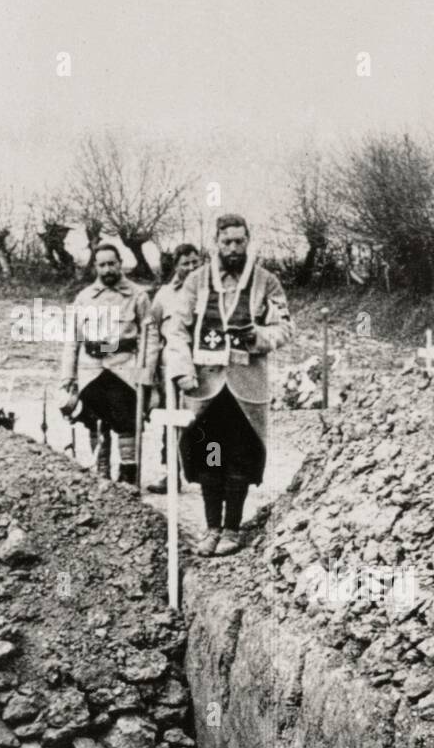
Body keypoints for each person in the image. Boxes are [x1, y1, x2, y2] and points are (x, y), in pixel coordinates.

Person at [164, 214, 294, 556]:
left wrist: (257, 336)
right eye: (227, 242)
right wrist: (181, 369)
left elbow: (285, 328)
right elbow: (175, 329)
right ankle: (212, 527)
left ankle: (233, 529)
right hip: (205, 386)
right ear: (216, 244)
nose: (233, 248)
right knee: (211, 455)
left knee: (240, 456)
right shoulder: (196, 281)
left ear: (248, 241)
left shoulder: (267, 281)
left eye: (239, 241)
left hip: (246, 384)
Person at [60, 243, 151, 485]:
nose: (108, 269)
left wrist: (146, 372)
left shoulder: (138, 296)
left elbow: (149, 337)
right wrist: (67, 375)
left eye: (112, 263)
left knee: (126, 421)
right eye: (102, 264)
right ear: (95, 267)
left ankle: (128, 472)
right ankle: (101, 470)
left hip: (124, 368)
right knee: (94, 420)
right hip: (92, 369)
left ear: (121, 263)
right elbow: (73, 338)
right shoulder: (84, 298)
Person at [142, 243, 200, 494]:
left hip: (203, 365)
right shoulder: (165, 295)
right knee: (171, 422)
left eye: (195, 262)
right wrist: (151, 372)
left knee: (205, 421)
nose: (191, 267)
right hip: (172, 368)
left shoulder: (208, 290)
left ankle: (209, 468)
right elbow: (153, 332)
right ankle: (170, 474)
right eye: (185, 263)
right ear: (175, 266)